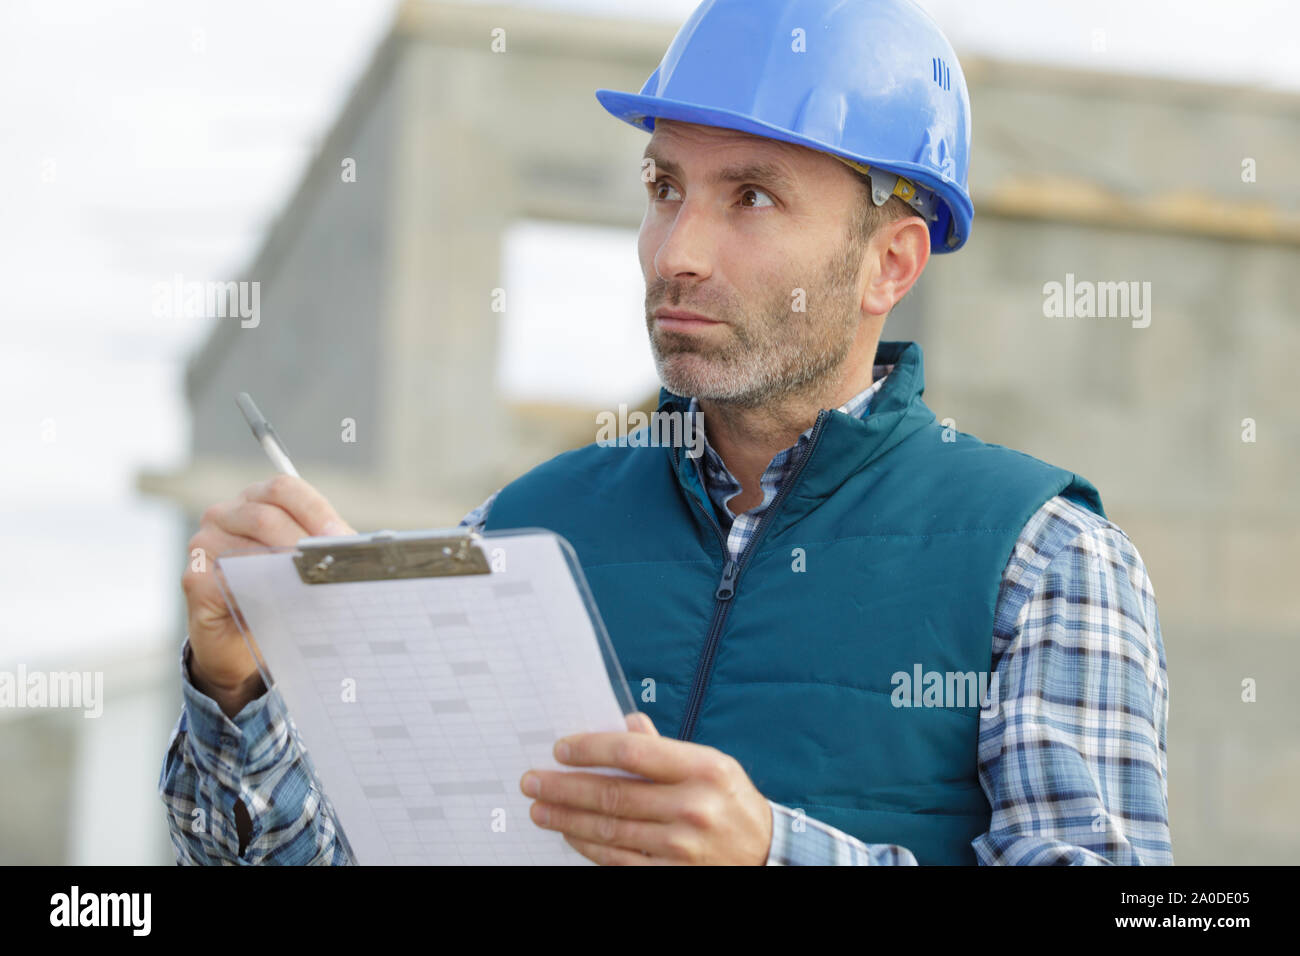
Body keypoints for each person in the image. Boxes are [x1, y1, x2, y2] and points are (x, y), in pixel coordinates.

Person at [161, 0, 1170, 865]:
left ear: (890, 264)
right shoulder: (517, 529)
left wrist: (774, 852)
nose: (677, 251)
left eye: (752, 197)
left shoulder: (1042, 558)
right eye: (663, 189)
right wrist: (243, 686)